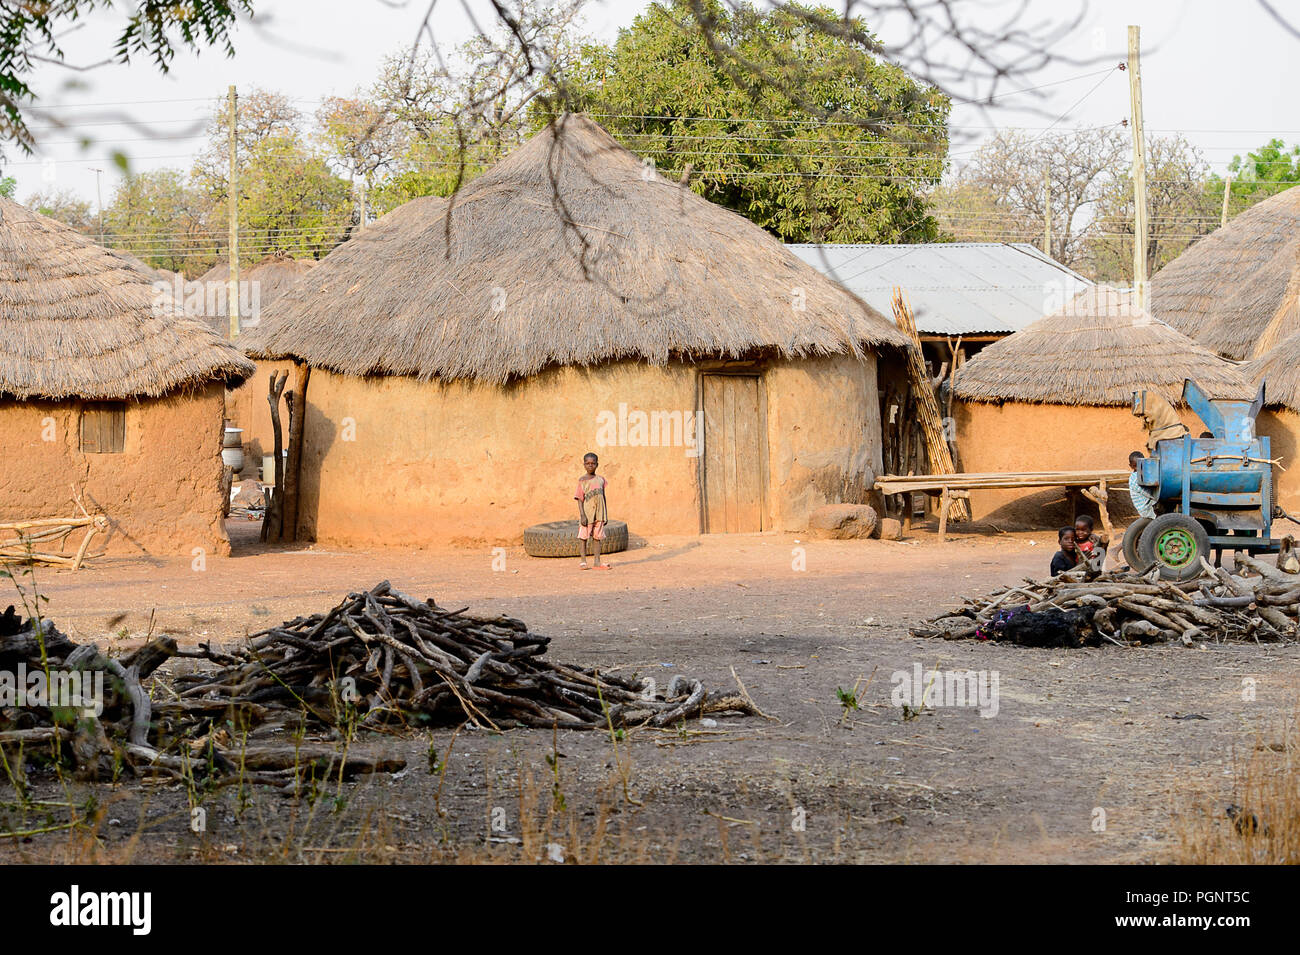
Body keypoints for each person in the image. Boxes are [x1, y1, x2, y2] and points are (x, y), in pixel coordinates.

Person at [575, 452, 611, 570]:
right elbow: (580, 499)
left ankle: (597, 562)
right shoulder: (582, 481)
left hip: (599, 514)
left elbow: (603, 496)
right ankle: (583, 562)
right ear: (584, 465)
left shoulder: (601, 480)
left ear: (597, 464)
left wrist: (605, 514)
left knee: (597, 538)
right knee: (583, 538)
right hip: (587, 514)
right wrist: (582, 515)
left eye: (593, 463)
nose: (590, 465)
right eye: (588, 463)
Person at [1128, 450, 1158, 520]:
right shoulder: (1135, 478)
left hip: (1150, 506)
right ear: (1131, 466)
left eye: (1140, 465)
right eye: (1135, 466)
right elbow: (1151, 495)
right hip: (1147, 510)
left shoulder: (1143, 475)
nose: (1138, 468)